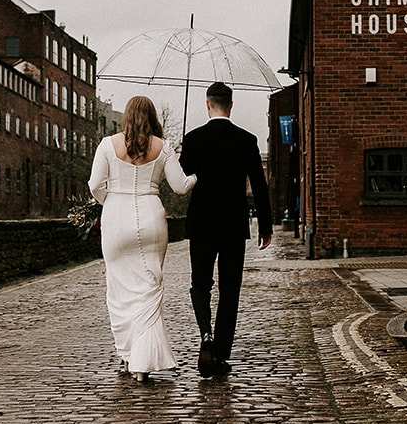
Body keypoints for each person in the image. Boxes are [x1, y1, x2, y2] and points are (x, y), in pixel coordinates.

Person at [88, 95, 197, 382]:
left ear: (126, 116)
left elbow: (95, 185)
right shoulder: (163, 148)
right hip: (151, 217)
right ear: (152, 117)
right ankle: (142, 363)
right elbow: (181, 186)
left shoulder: (107, 145)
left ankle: (128, 355)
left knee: (120, 289)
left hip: (115, 218)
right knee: (149, 288)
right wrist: (195, 174)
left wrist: (110, 201)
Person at [179, 81, 272, 378]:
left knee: (200, 284)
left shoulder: (193, 138)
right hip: (233, 225)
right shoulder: (246, 140)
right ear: (231, 105)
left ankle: (205, 333)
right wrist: (265, 226)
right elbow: (259, 185)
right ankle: (219, 355)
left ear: (207, 104)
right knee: (229, 290)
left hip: (201, 223)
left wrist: (184, 152)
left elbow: (182, 176)